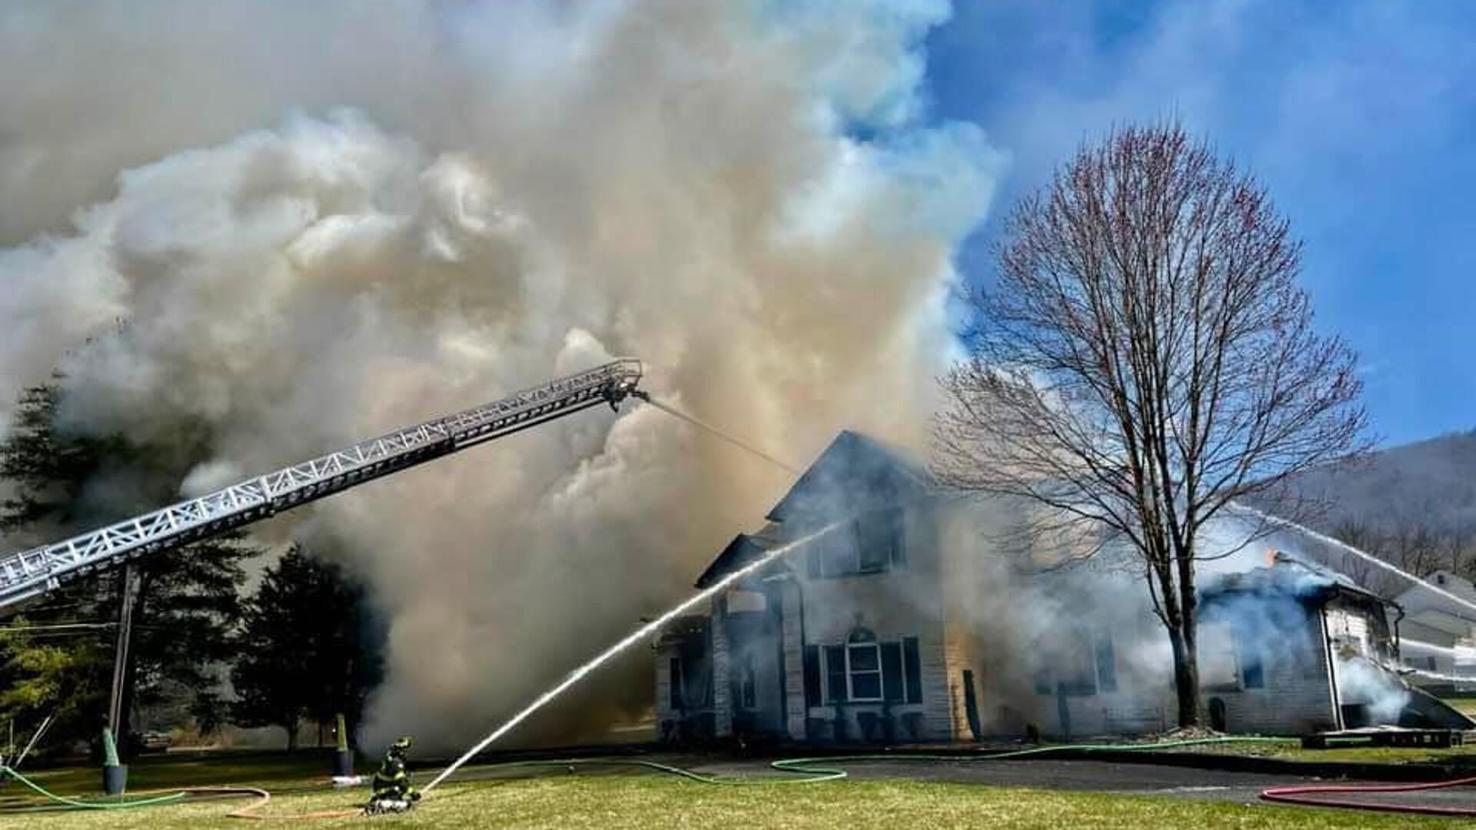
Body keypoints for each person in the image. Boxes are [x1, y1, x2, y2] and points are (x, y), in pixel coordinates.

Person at [367, 737, 420, 811]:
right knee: (404, 803)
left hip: (383, 787)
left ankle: (383, 798)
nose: (405, 753)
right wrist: (413, 794)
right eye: (404, 750)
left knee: (399, 791)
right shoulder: (396, 763)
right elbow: (402, 783)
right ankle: (383, 803)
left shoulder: (391, 758)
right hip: (384, 789)